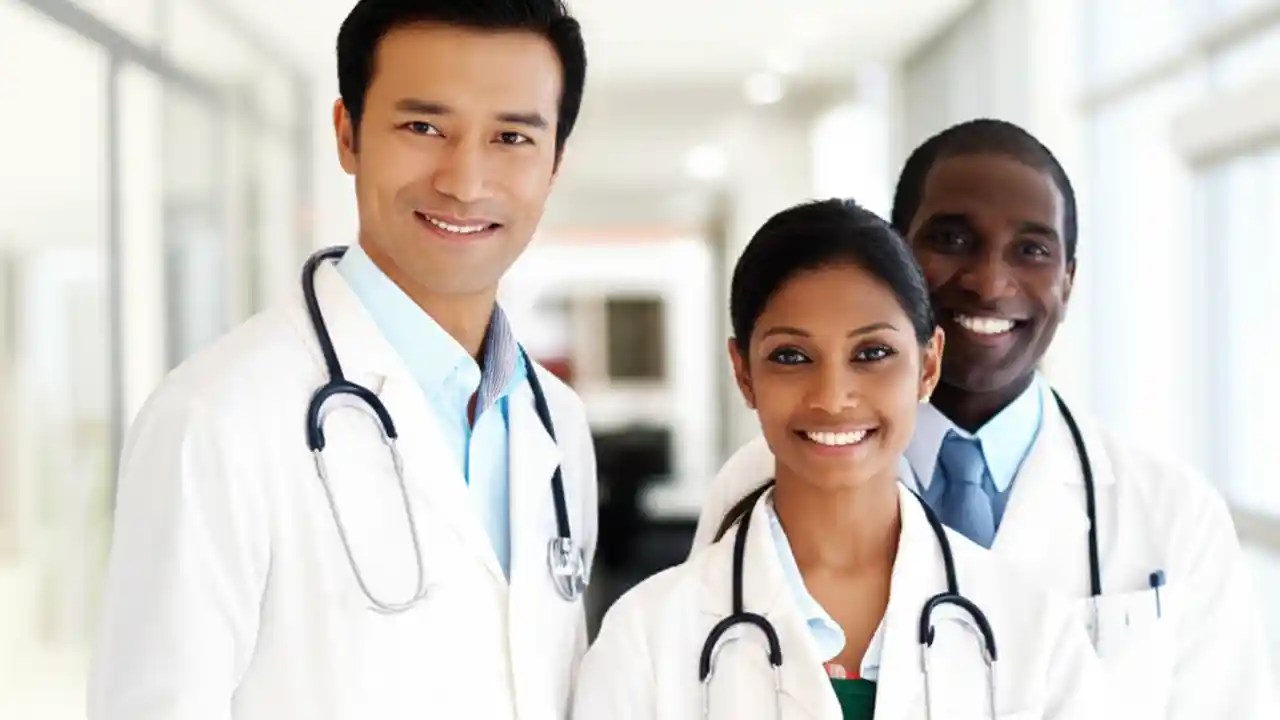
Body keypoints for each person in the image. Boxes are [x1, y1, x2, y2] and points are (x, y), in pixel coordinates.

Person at [88, 2, 597, 718]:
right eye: (424, 127)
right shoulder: (216, 419)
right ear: (348, 134)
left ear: (553, 164)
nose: (465, 179)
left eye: (512, 136)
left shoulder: (558, 425)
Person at [690, 120, 1274, 718]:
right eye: (952, 239)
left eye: (1033, 250)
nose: (991, 283)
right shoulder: (757, 483)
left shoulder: (1173, 513)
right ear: (897, 260)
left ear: (1068, 281)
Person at [574, 199, 1101, 719]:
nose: (832, 395)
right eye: (791, 357)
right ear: (744, 373)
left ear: (928, 365)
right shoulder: (648, 639)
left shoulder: (1034, 634)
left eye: (872, 354)